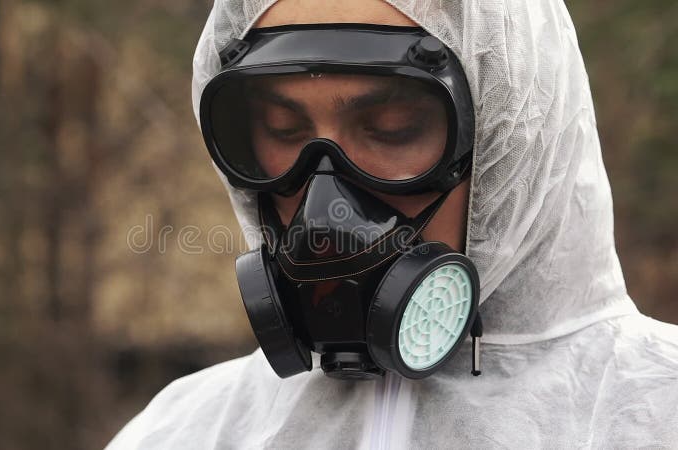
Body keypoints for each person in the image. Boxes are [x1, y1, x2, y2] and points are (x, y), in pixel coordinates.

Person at [107, 0, 678, 448]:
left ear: (512, 141)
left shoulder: (653, 415)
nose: (324, 203)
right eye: (282, 129)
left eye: (395, 125)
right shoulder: (184, 433)